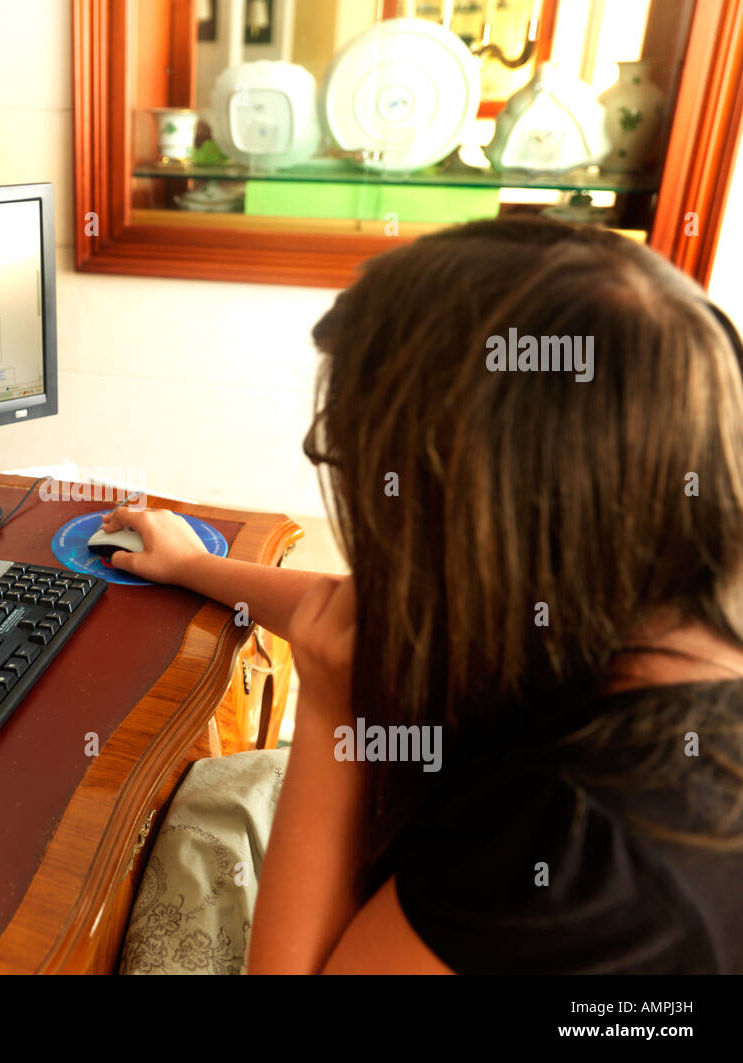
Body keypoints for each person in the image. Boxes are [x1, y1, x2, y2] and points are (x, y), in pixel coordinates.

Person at [106, 217, 743, 974]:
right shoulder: (659, 622)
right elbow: (368, 614)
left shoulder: (568, 854)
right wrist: (193, 567)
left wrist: (332, 712)